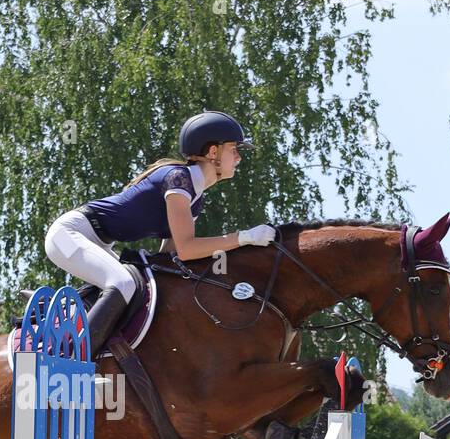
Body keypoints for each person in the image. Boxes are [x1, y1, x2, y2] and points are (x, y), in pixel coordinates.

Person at [44, 111, 277, 353]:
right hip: (69, 234)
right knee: (124, 283)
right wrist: (244, 237)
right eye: (234, 149)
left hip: (98, 241)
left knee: (141, 289)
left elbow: (171, 254)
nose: (238, 157)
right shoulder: (179, 179)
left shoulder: (195, 196)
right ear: (213, 152)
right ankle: (73, 357)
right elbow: (188, 248)